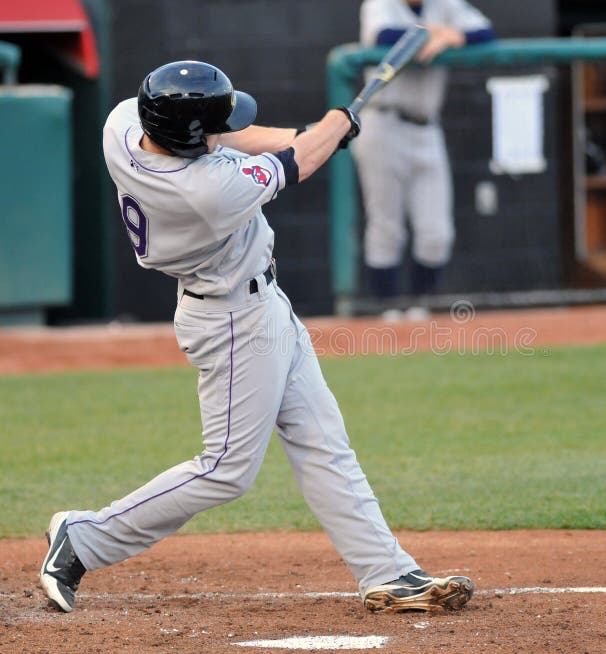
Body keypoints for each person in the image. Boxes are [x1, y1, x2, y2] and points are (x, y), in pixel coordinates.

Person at [39, 60, 474, 615]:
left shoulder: (124, 124)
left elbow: (237, 135)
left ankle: (387, 572)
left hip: (260, 303)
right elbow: (298, 165)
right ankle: (85, 537)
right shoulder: (209, 190)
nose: (223, 131)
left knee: (323, 441)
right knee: (225, 470)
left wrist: (315, 132)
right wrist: (332, 128)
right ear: (191, 141)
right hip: (230, 320)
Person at [352, 0, 495, 320]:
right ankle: (386, 309)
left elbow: (486, 32)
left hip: (427, 126)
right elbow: (384, 36)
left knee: (437, 233)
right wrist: (436, 33)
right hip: (383, 121)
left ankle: (419, 305)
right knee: (386, 226)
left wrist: (452, 36)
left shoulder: (445, 4)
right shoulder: (380, 4)